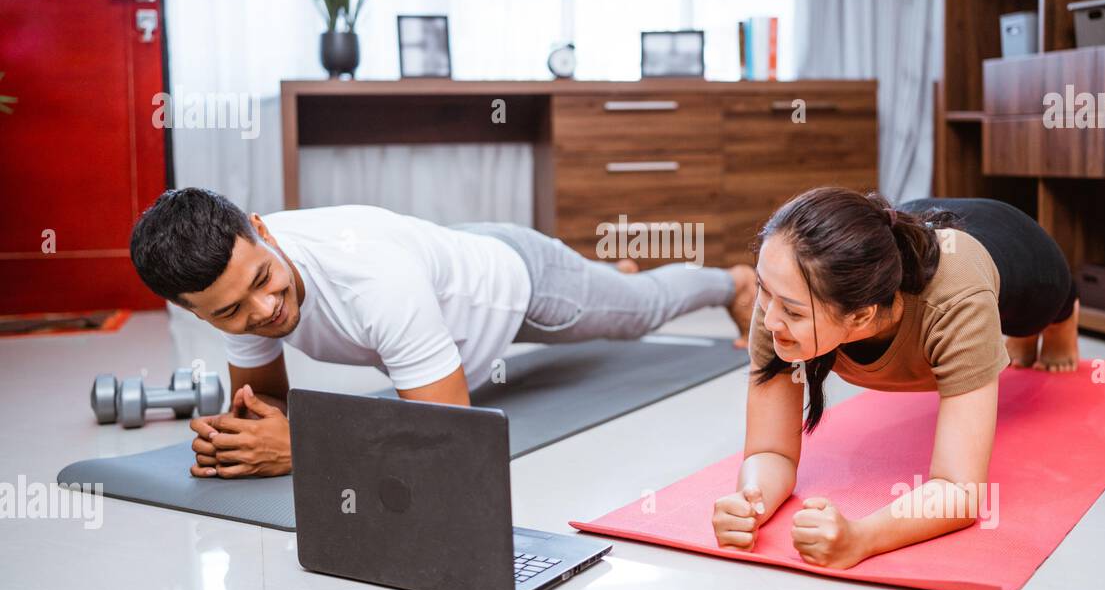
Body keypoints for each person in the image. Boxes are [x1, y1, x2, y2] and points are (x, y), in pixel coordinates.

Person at [128, 188, 756, 479]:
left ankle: (730, 282)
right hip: (452, 261)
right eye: (230, 313)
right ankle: (604, 277)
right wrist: (244, 436)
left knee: (639, 311)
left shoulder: (373, 278)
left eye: (265, 279)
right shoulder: (232, 282)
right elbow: (266, 403)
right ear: (195, 312)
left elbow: (451, 436)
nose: (262, 311)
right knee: (615, 295)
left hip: (524, 287)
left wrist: (300, 450)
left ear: (262, 230)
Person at [711, 187, 1079, 570]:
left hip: (1011, 242)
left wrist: (861, 538)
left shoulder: (957, 299)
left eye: (793, 312)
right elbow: (772, 451)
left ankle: (1064, 313)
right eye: (763, 292)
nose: (768, 319)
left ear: (860, 317)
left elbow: (959, 490)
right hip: (905, 231)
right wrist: (749, 502)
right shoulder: (784, 294)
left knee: (1038, 316)